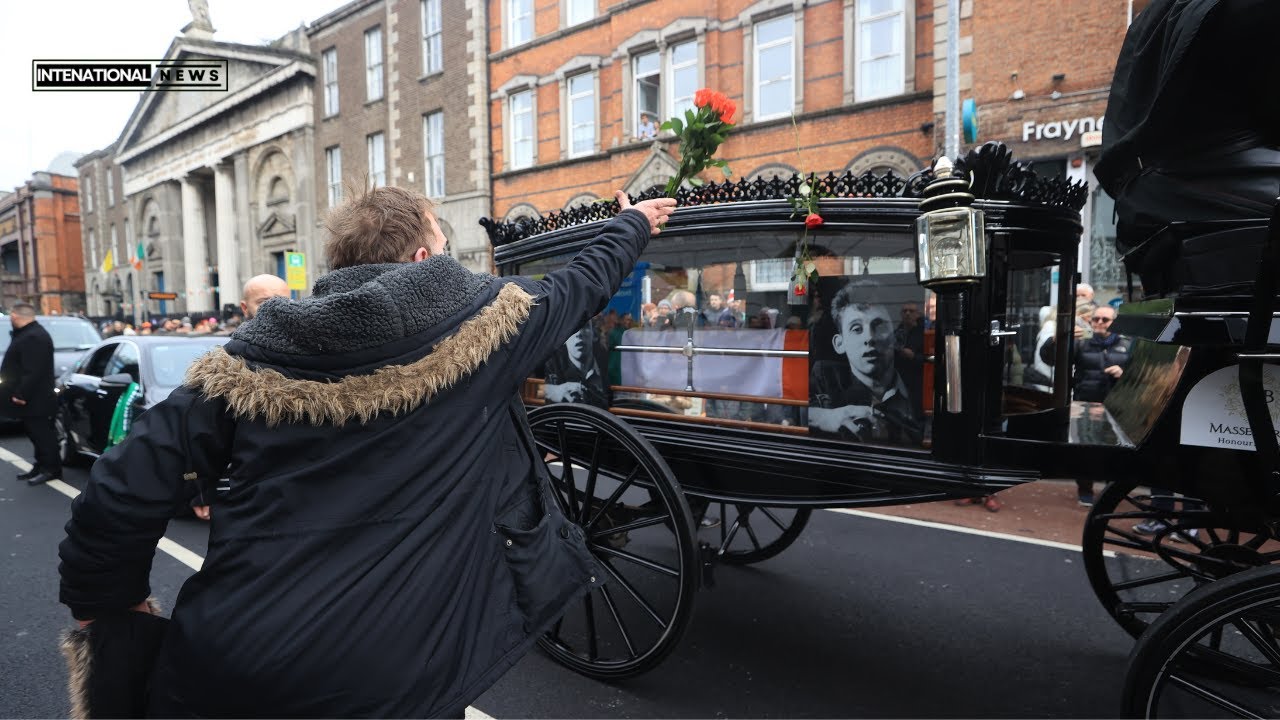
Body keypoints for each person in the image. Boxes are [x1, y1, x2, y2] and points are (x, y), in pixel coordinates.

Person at [57, 186, 676, 717]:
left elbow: (116, 491)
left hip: (232, 658)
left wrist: (111, 611)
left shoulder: (254, 357)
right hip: (395, 677)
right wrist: (634, 222)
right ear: (424, 256)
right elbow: (583, 283)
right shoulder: (489, 331)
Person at [809, 280, 923, 445]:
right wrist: (824, 417)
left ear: (898, 339)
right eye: (856, 329)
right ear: (839, 344)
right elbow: (792, 413)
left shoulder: (917, 385)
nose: (869, 338)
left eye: (879, 326)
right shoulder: (825, 376)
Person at [1041, 304, 1132, 505]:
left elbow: (1138, 377)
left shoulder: (1127, 345)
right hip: (1085, 403)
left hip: (1116, 406)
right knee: (1084, 451)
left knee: (1115, 452)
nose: (1099, 322)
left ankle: (1110, 494)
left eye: (1105, 320)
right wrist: (1057, 338)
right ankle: (1085, 491)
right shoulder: (1081, 343)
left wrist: (1123, 375)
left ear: (1114, 322)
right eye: (1095, 319)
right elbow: (1049, 359)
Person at [2, 303, 61, 486]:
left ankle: (51, 469)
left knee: (42, 434)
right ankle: (41, 465)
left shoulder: (34, 337)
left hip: (36, 398)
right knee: (35, 433)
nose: (11, 320)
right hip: (32, 398)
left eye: (12, 317)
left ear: (16, 317)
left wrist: (21, 393)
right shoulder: (29, 334)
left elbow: (33, 371)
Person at [544, 322, 610, 407]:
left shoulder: (606, 363)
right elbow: (531, 389)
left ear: (595, 335)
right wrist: (554, 391)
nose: (578, 333)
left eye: (584, 327)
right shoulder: (550, 361)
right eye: (572, 327)